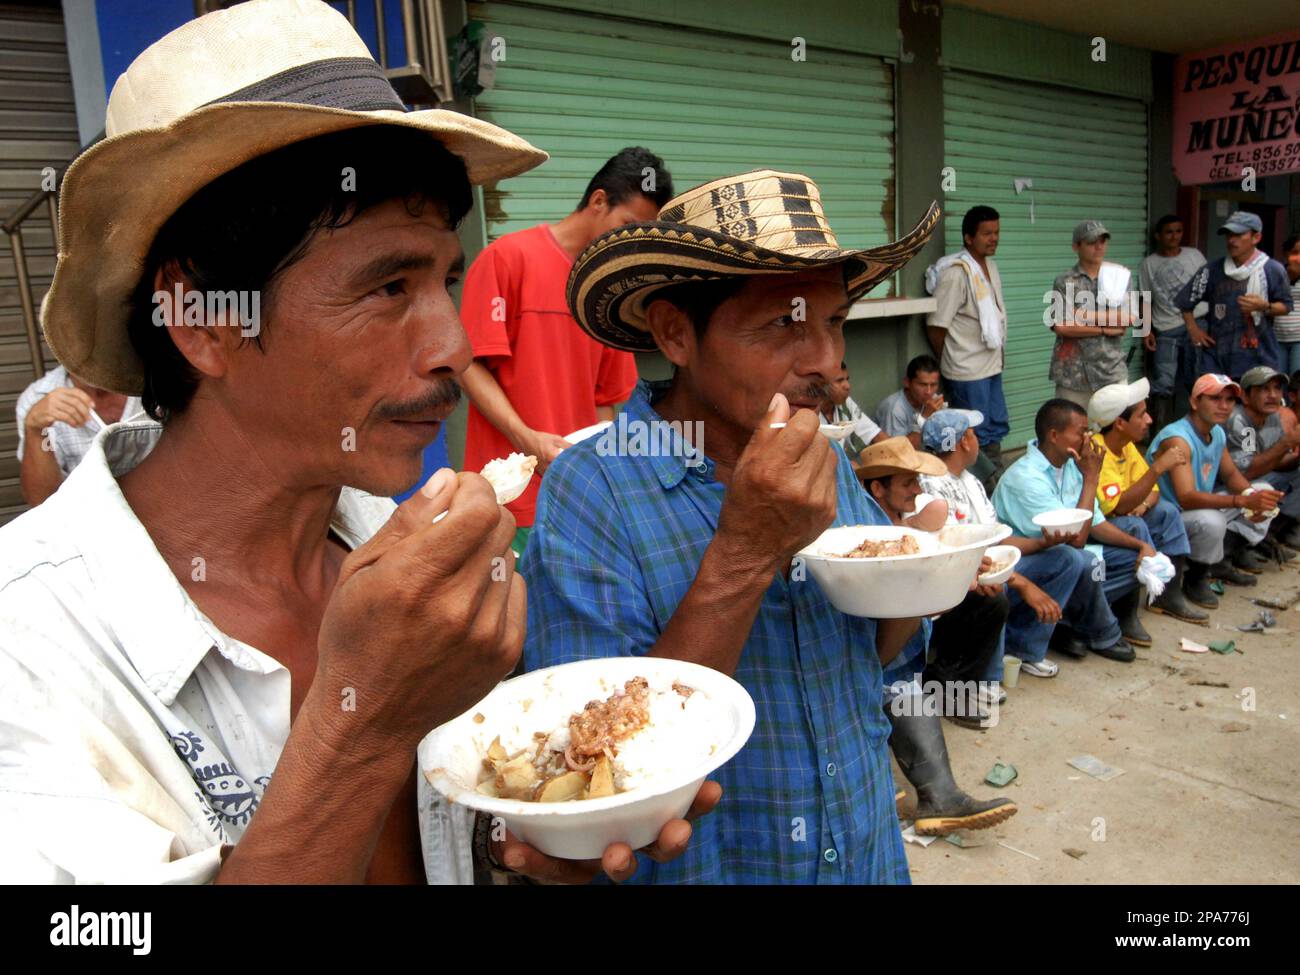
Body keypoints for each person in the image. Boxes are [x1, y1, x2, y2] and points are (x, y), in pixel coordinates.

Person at [0, 0, 712, 885]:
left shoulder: (390, 537)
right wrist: (364, 719)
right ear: (204, 320)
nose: (453, 345)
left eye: (446, 278)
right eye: (386, 287)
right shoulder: (28, 641)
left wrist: (518, 845)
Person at [522, 168, 942, 883]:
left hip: (866, 853)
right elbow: (598, 764)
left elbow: (879, 651)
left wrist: (918, 573)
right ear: (674, 334)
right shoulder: (593, 493)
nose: (824, 362)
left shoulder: (824, 460)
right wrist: (745, 551)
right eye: (784, 324)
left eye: (834, 322)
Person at [458, 147, 674, 554]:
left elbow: (605, 405)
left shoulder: (608, 293)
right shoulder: (507, 258)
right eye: (627, 224)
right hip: (509, 494)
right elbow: (468, 364)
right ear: (597, 201)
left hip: (578, 504)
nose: (628, 240)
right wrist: (526, 440)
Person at [857, 437, 1017, 834]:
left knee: (907, 686)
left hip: (903, 650)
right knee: (898, 690)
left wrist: (965, 575)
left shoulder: (903, 526)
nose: (917, 490)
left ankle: (937, 797)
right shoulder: (862, 536)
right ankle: (924, 793)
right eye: (907, 482)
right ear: (878, 488)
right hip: (866, 657)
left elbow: (930, 600)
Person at [918, 408, 1088, 682]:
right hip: (959, 575)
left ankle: (1027, 650)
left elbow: (998, 540)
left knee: (1067, 558)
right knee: (997, 586)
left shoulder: (970, 480)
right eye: (973, 435)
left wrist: (1043, 542)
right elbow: (959, 555)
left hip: (988, 563)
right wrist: (1024, 583)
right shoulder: (930, 485)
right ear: (963, 442)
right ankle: (988, 675)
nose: (978, 442)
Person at [993, 400, 1155, 662]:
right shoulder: (1026, 478)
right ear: (1054, 435)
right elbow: (1078, 539)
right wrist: (1092, 478)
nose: (1088, 437)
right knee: (1082, 561)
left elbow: (1097, 524)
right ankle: (1103, 632)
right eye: (1081, 431)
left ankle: (1069, 617)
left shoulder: (1070, 464)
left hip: (1062, 553)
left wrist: (1140, 547)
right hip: (1032, 560)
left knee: (1138, 547)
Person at [1146, 374, 1284, 604]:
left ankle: (1220, 560)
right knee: (1213, 520)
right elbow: (1187, 498)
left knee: (1263, 492)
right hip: (1168, 515)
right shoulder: (1178, 438)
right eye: (1215, 398)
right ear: (1194, 402)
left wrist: (1253, 499)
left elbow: (1231, 475)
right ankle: (1196, 578)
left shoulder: (1216, 431)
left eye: (1229, 400)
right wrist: (1241, 502)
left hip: (1196, 509)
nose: (1224, 406)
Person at [1087, 378, 1207, 624]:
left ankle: (1168, 595)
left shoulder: (1126, 446)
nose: (1149, 420)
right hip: (1096, 530)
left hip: (1123, 518)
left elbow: (1152, 492)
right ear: (1119, 423)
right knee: (1135, 526)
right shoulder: (1097, 450)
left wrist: (1143, 504)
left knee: (1167, 513)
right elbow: (1118, 507)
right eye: (1141, 415)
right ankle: (1126, 613)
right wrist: (1158, 468)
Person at [925, 204, 1010, 481]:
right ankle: (981, 485)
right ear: (968, 237)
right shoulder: (956, 273)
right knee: (975, 433)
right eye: (987, 233)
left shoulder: (991, 267)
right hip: (967, 370)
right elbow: (937, 326)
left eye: (996, 232)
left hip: (991, 365)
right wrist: (950, 359)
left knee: (995, 427)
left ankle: (994, 482)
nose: (994, 238)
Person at [1175, 211, 1293, 379]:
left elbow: (1286, 306)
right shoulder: (1212, 270)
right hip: (1217, 354)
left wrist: (1264, 306)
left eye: (1238, 235)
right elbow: (1185, 303)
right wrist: (1194, 330)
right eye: (1229, 235)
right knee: (1214, 398)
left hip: (1258, 353)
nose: (1231, 240)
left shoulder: (1272, 269)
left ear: (1256, 237)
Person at [15, 364, 143, 505]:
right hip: (84, 518)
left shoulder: (151, 380)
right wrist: (36, 430)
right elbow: (41, 502)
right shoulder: (37, 397)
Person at [1048, 220, 1136, 408]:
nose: (1098, 246)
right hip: (1073, 375)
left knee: (1114, 431)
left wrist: (1081, 314)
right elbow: (1061, 326)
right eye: (1091, 242)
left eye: (1103, 241)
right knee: (1072, 431)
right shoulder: (1065, 281)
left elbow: (1128, 317)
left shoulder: (1119, 276)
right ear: (1076, 247)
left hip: (1110, 370)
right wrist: (1104, 329)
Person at [1140, 214, 1206, 431]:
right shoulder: (1149, 263)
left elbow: (1209, 287)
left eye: (1178, 231)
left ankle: (1194, 430)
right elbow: (1144, 297)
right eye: (1169, 232)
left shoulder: (1194, 255)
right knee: (1163, 383)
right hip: (1166, 328)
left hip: (1197, 324)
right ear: (1158, 235)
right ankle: (1160, 433)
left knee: (1196, 379)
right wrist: (1145, 330)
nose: (1174, 236)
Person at [1224, 366, 1300, 551]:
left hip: (1256, 477)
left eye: (1276, 388)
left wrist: (1297, 456)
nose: (1273, 395)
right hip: (1229, 486)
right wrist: (1286, 442)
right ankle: (1236, 549)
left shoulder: (1272, 417)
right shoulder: (1240, 421)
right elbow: (1247, 471)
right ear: (1245, 396)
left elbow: (1272, 462)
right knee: (1263, 488)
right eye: (1264, 389)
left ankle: (1277, 530)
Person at [821, 359, 885, 464]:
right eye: (839, 380)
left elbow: (877, 436)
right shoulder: (809, 410)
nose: (847, 386)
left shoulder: (846, 403)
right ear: (823, 384)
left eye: (847, 379)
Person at [874, 354, 945, 447]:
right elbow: (898, 451)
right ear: (907, 382)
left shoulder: (933, 400)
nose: (929, 391)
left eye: (933, 385)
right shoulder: (895, 409)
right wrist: (924, 418)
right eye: (923, 385)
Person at [1273, 236, 1300, 376]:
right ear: (1286, 254)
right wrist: (1288, 276)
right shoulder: (1276, 273)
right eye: (1295, 252)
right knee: (1279, 380)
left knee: (1297, 382)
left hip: (1299, 338)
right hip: (1278, 337)